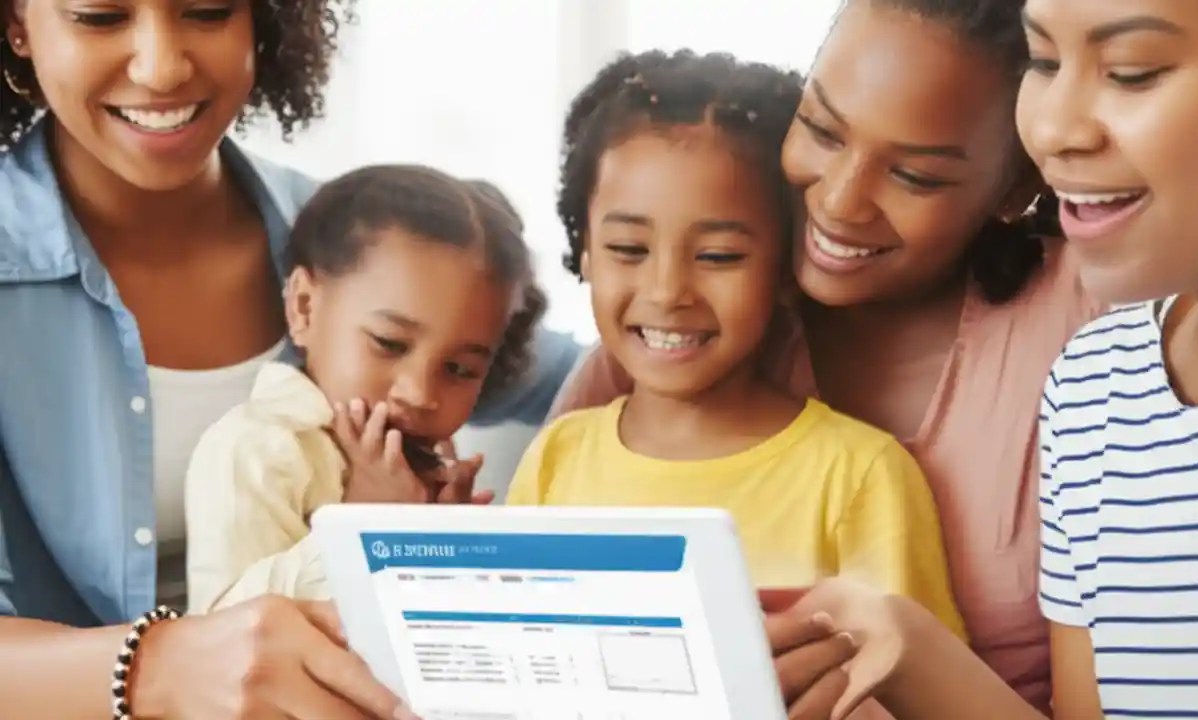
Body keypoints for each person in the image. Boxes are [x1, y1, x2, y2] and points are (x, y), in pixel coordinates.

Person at [0, 1, 574, 717]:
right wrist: (159, 667)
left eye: (207, 10)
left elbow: (621, 374)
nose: (161, 67)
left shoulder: (356, 240)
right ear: (17, 24)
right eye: (99, 16)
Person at [551, 0, 1107, 713]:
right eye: (820, 129)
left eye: (916, 176)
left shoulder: (1092, 324)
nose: (841, 203)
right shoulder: (679, 336)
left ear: (1015, 187)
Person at [774, 0, 1198, 718]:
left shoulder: (1078, 329)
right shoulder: (1094, 386)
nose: (1048, 130)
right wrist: (899, 644)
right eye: (1044, 61)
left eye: (1131, 72)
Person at [506, 49, 965, 641]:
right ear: (587, 254)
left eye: (718, 256)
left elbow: (921, 678)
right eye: (628, 249)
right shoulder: (556, 458)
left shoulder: (857, 476)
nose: (667, 292)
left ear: (786, 265)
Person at [186, 166, 542, 613]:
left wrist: (454, 550)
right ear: (304, 307)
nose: (419, 392)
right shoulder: (256, 449)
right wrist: (366, 530)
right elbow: (225, 628)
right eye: (389, 344)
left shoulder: (427, 464)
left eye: (459, 369)